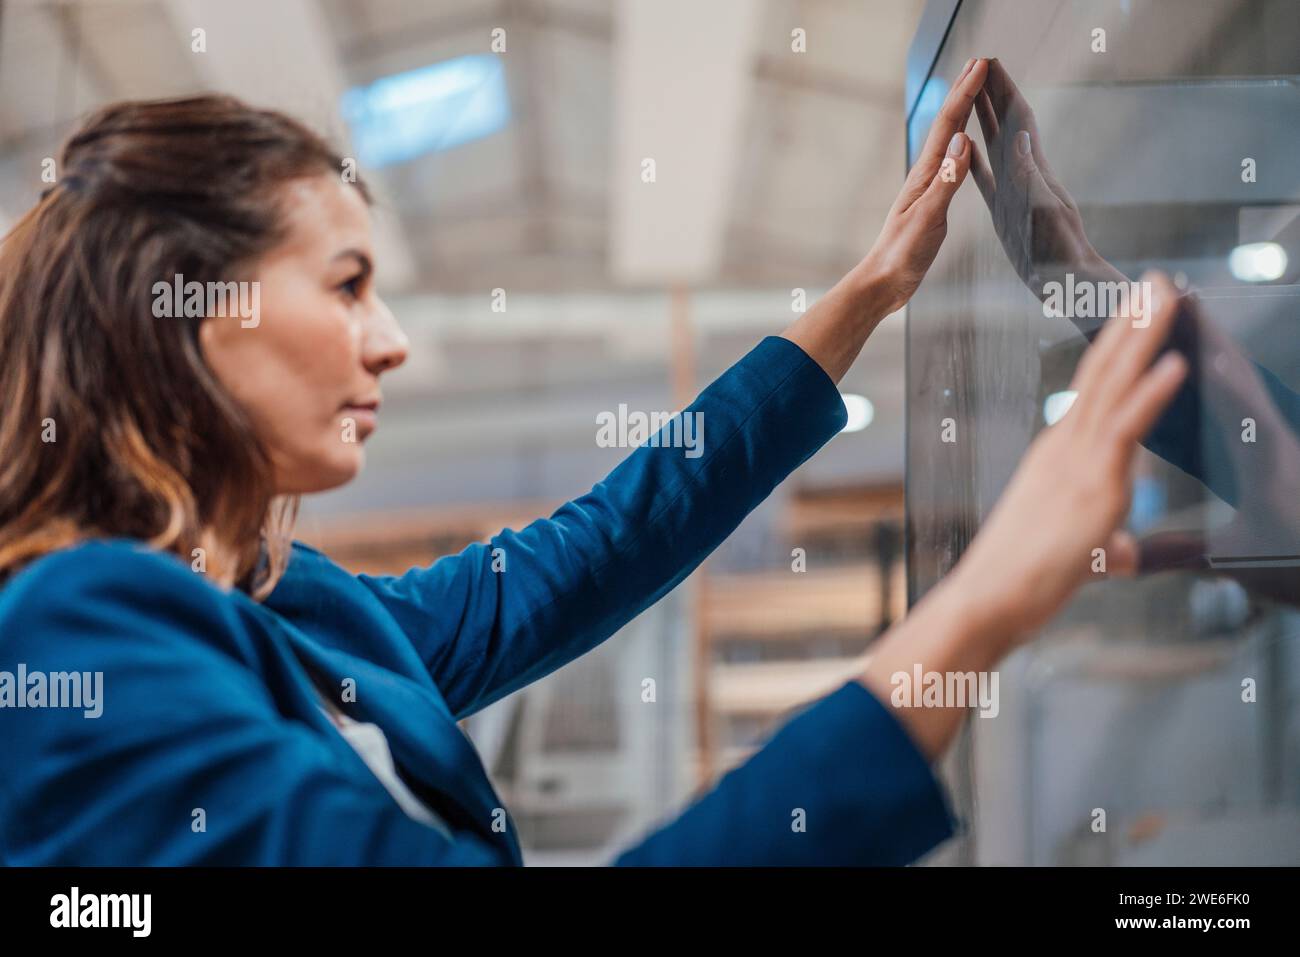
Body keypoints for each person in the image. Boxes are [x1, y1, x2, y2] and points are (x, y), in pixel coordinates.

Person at [0, 59, 1188, 865]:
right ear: (184, 316)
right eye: (347, 285)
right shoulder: (76, 640)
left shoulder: (292, 609)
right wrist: (973, 614)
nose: (391, 341)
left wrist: (865, 297)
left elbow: (592, 549)